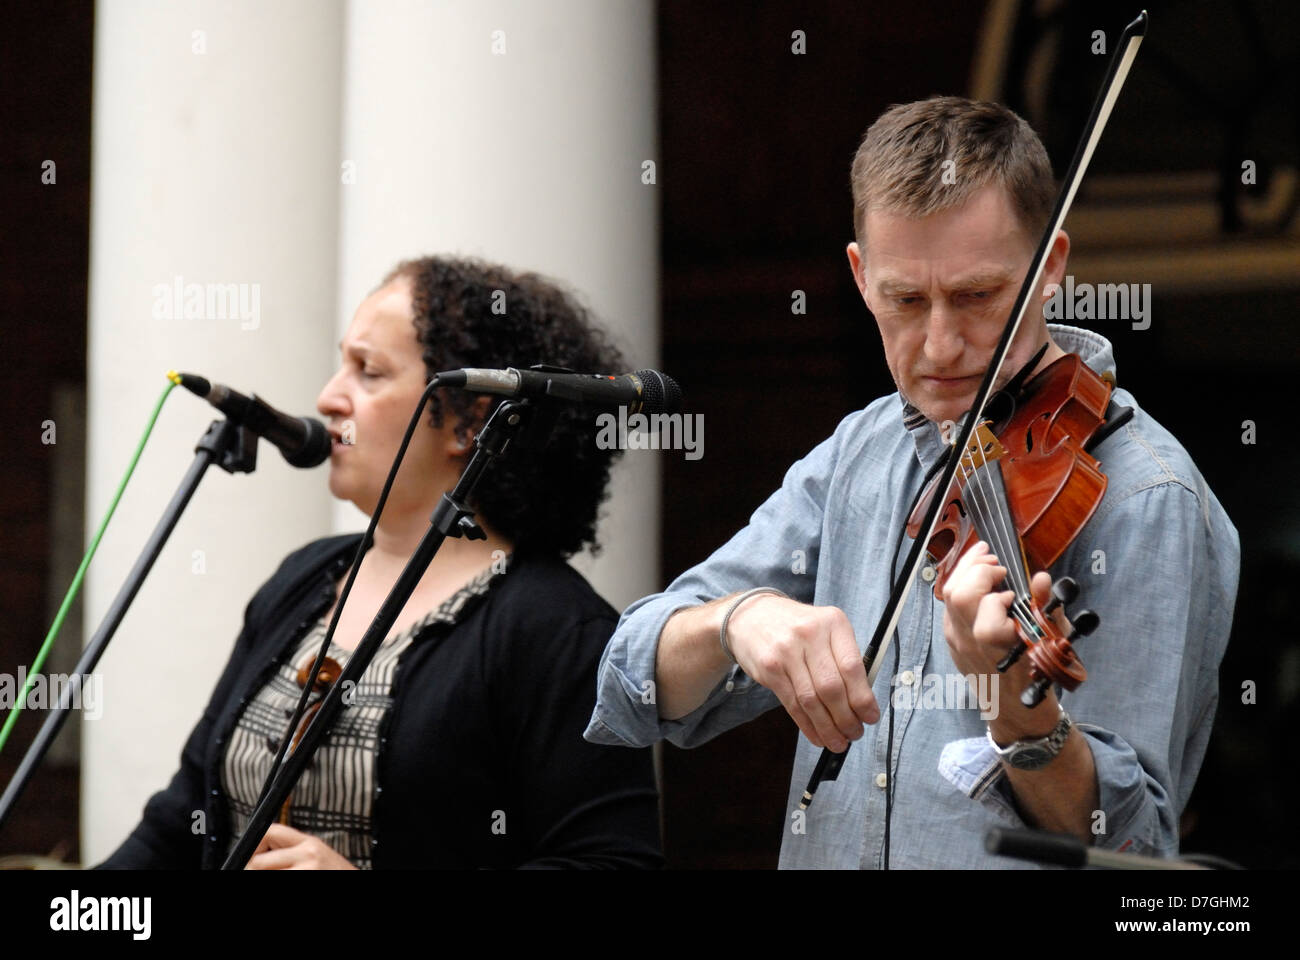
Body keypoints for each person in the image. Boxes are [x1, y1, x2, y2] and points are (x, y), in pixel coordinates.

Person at [585, 97, 1240, 868]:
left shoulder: (1144, 495)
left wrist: (1009, 704)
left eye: (977, 296)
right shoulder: (862, 450)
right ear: (861, 277)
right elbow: (630, 684)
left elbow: (1127, 842)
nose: (940, 345)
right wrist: (737, 620)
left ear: (1052, 266)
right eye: (904, 300)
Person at [98, 256, 662, 869]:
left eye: (367, 371)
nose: (327, 397)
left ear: (471, 421)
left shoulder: (556, 627)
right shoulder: (303, 579)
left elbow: (613, 863)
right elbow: (179, 825)